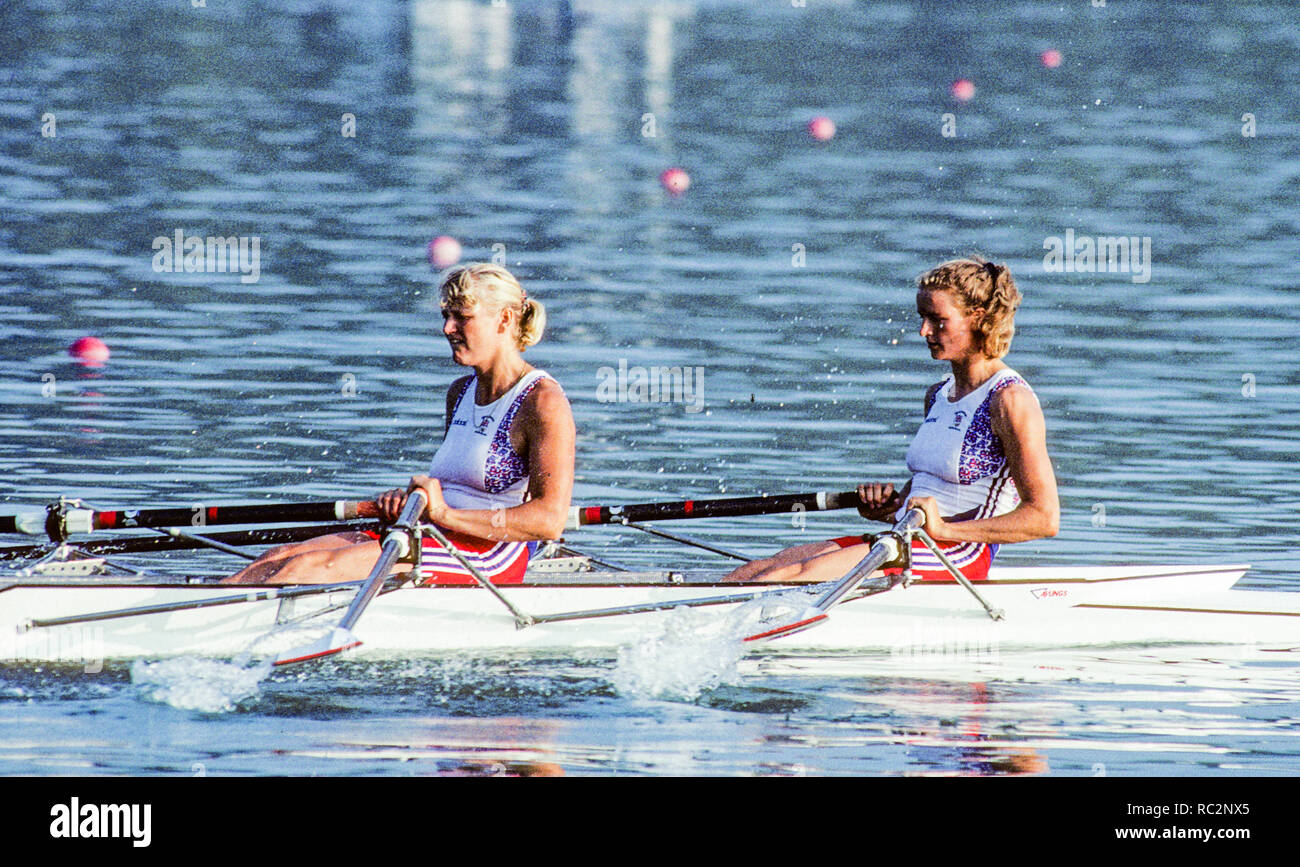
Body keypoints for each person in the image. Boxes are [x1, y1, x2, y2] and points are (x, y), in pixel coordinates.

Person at [223, 263, 575, 586]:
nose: (447, 328)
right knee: (277, 559)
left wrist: (445, 514)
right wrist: (407, 502)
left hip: (492, 553)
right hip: (430, 528)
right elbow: (454, 484)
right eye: (446, 316)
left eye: (462, 317)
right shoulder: (460, 392)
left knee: (308, 570)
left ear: (504, 320)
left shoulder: (542, 401)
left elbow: (548, 520)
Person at [725, 257, 1058, 584]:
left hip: (959, 553)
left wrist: (944, 529)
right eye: (922, 318)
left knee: (793, 576)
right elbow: (925, 490)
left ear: (977, 317)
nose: (924, 331)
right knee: (759, 569)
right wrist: (887, 508)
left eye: (937, 319)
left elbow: (1043, 518)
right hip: (904, 538)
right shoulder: (939, 394)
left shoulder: (1010, 400)